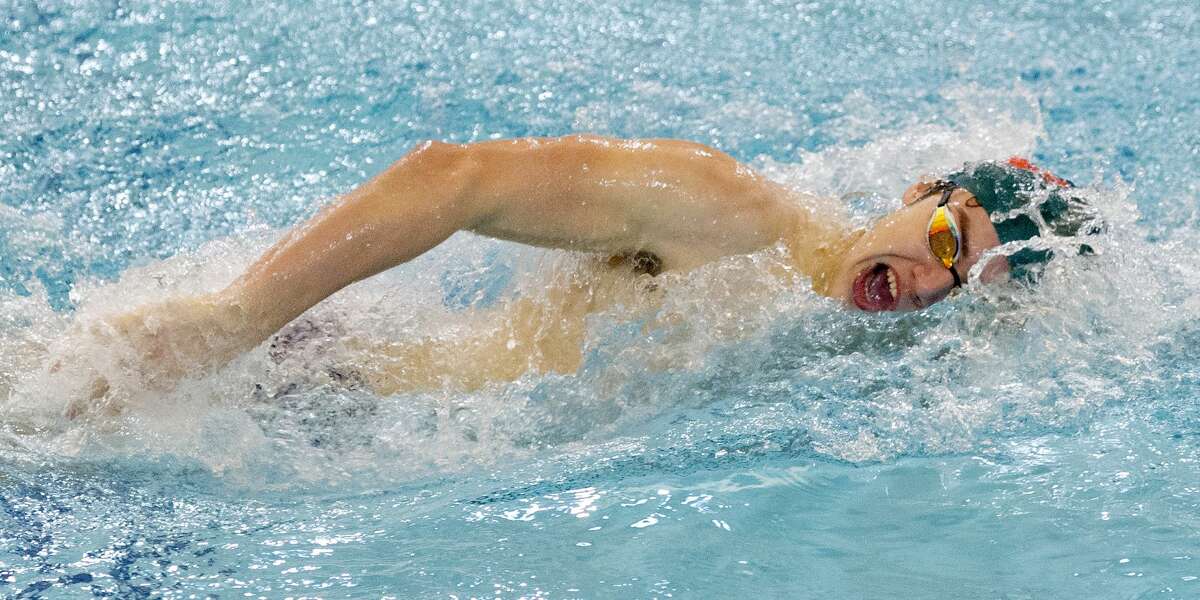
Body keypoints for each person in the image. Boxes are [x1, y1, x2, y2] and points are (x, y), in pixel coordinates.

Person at [49, 135, 1096, 418]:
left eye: (967, 289)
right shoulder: (729, 211)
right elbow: (451, 176)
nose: (928, 285)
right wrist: (234, 318)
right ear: (921, 189)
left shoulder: (851, 353)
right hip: (295, 379)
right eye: (952, 241)